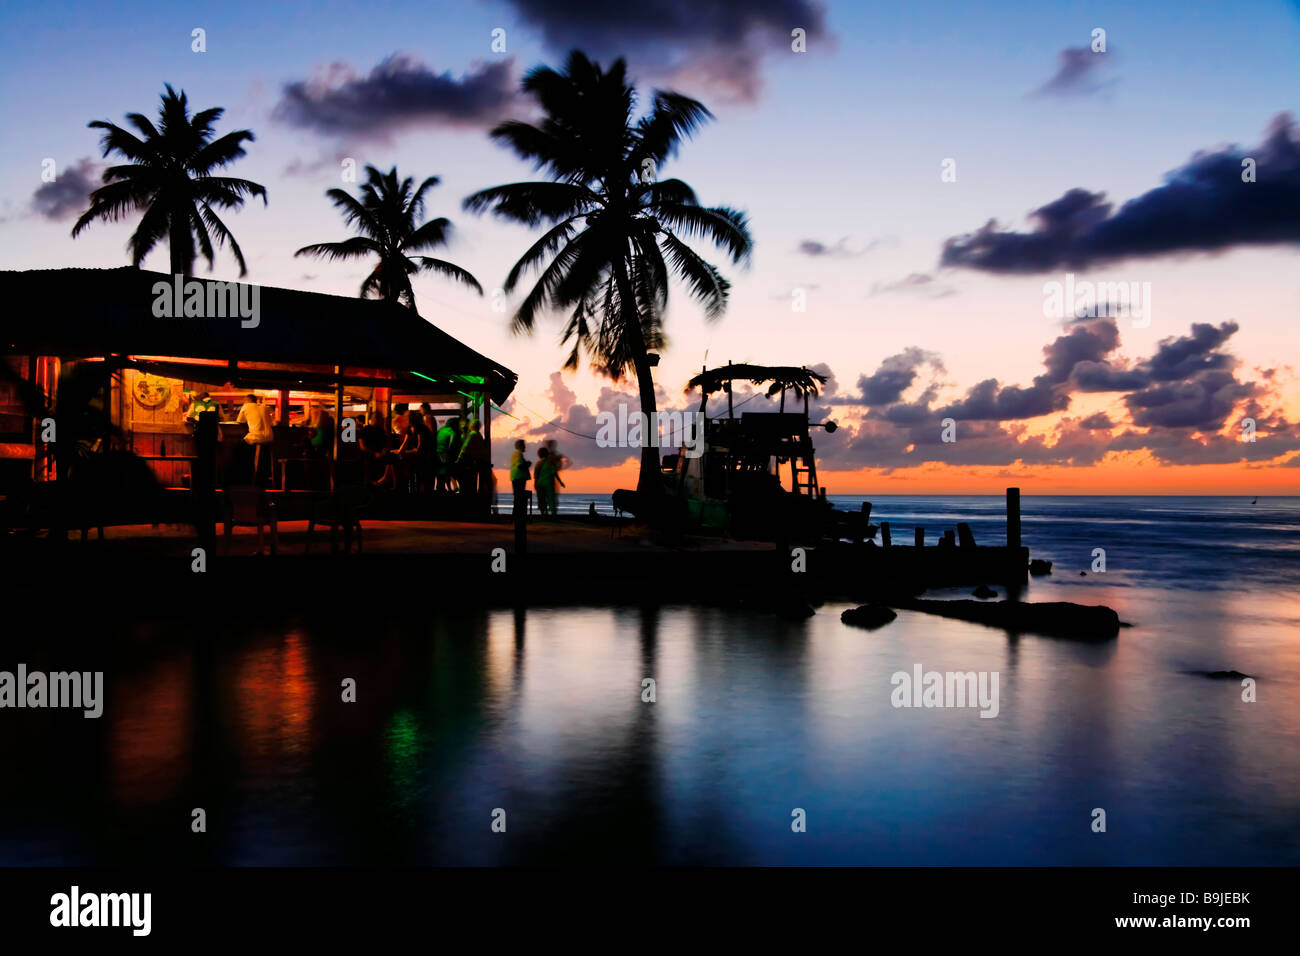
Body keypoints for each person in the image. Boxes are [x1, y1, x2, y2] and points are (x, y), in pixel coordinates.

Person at [236, 393, 275, 484]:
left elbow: (240, 420)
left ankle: (246, 476)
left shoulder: (246, 406)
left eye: (244, 400)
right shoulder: (265, 407)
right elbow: (272, 423)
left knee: (239, 448)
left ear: (247, 400)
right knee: (259, 450)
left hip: (256, 437)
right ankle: (263, 475)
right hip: (270, 437)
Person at [457, 419, 490, 498]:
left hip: (472, 461)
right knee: (474, 481)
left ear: (471, 425)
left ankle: (465, 493)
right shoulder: (479, 435)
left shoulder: (472, 434)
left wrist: (458, 458)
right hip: (479, 461)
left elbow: (465, 447)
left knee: (467, 479)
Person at [534, 445, 565, 516]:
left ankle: (543, 513)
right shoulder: (550, 463)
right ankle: (552, 514)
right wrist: (560, 482)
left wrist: (535, 484)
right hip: (549, 484)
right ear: (547, 454)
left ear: (539, 455)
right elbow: (555, 473)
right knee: (551, 499)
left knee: (541, 499)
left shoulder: (538, 464)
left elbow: (536, 476)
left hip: (540, 484)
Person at [509, 439, 531, 512]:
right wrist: (527, 464)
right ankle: (518, 515)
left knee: (518, 498)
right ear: (520, 446)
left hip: (517, 478)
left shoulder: (517, 454)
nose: (525, 447)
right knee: (519, 498)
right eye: (523, 445)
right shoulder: (518, 454)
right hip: (519, 478)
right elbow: (520, 466)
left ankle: (517, 514)